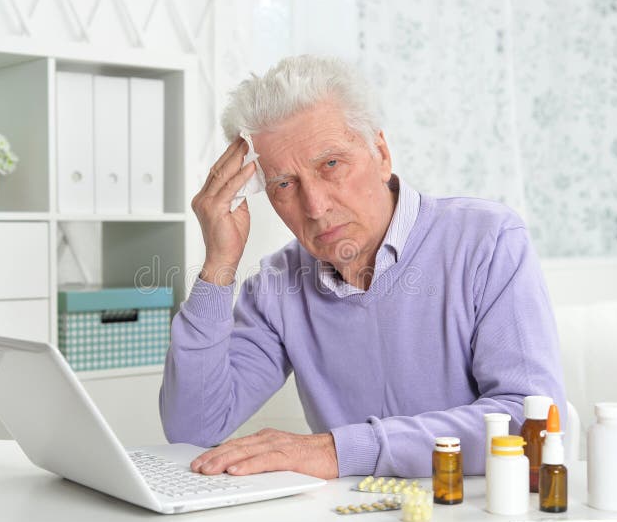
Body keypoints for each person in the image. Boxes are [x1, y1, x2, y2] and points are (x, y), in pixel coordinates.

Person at [159, 55, 566, 480]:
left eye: (330, 164)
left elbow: (529, 421)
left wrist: (339, 451)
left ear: (381, 153)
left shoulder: (487, 240)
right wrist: (218, 266)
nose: (315, 207)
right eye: (284, 184)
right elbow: (193, 428)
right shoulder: (278, 286)